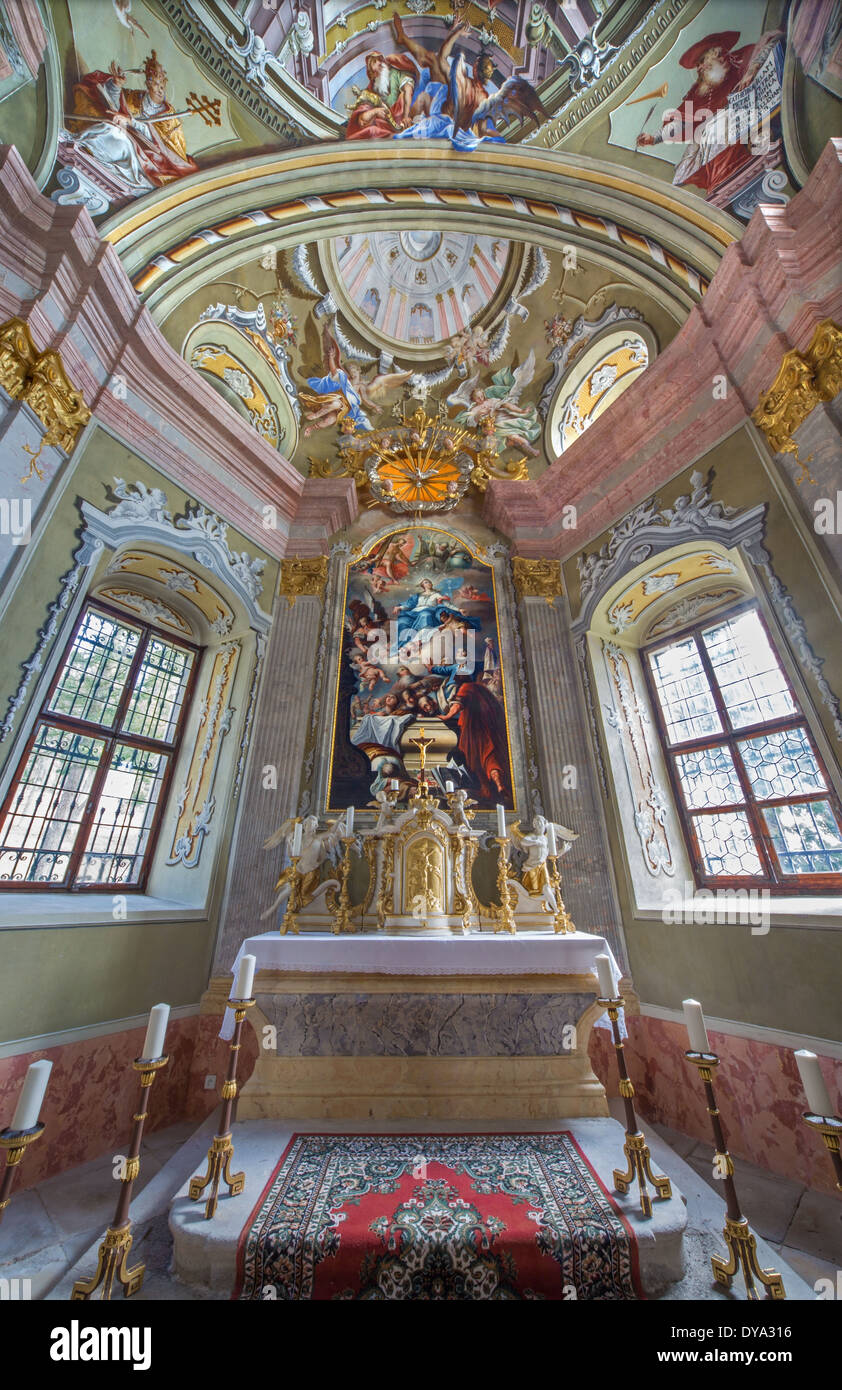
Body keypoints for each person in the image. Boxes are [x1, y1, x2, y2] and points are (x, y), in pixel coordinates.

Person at [636, 28, 784, 196]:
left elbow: (773, 39)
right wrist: (654, 138)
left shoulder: (744, 57)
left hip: (753, 121)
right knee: (699, 143)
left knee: (715, 128)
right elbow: (682, 122)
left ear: (716, 54)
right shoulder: (698, 92)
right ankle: (721, 181)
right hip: (723, 137)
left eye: (701, 61)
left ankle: (735, 170)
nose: (699, 68)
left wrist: (753, 69)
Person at [68, 51, 198, 189]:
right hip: (126, 136)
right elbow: (113, 107)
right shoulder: (135, 97)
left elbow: (171, 152)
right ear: (148, 83)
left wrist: (131, 122)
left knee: (116, 138)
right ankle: (82, 143)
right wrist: (116, 86)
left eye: (162, 84)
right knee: (108, 130)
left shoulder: (170, 118)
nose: (159, 89)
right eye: (155, 83)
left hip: (152, 159)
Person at [345, 49, 417, 138]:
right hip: (385, 120)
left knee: (402, 97)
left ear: (382, 63)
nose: (376, 73)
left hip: (401, 117)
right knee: (371, 129)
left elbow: (408, 89)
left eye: (378, 63)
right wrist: (375, 111)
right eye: (373, 72)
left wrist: (406, 116)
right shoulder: (373, 87)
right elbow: (363, 112)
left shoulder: (396, 73)